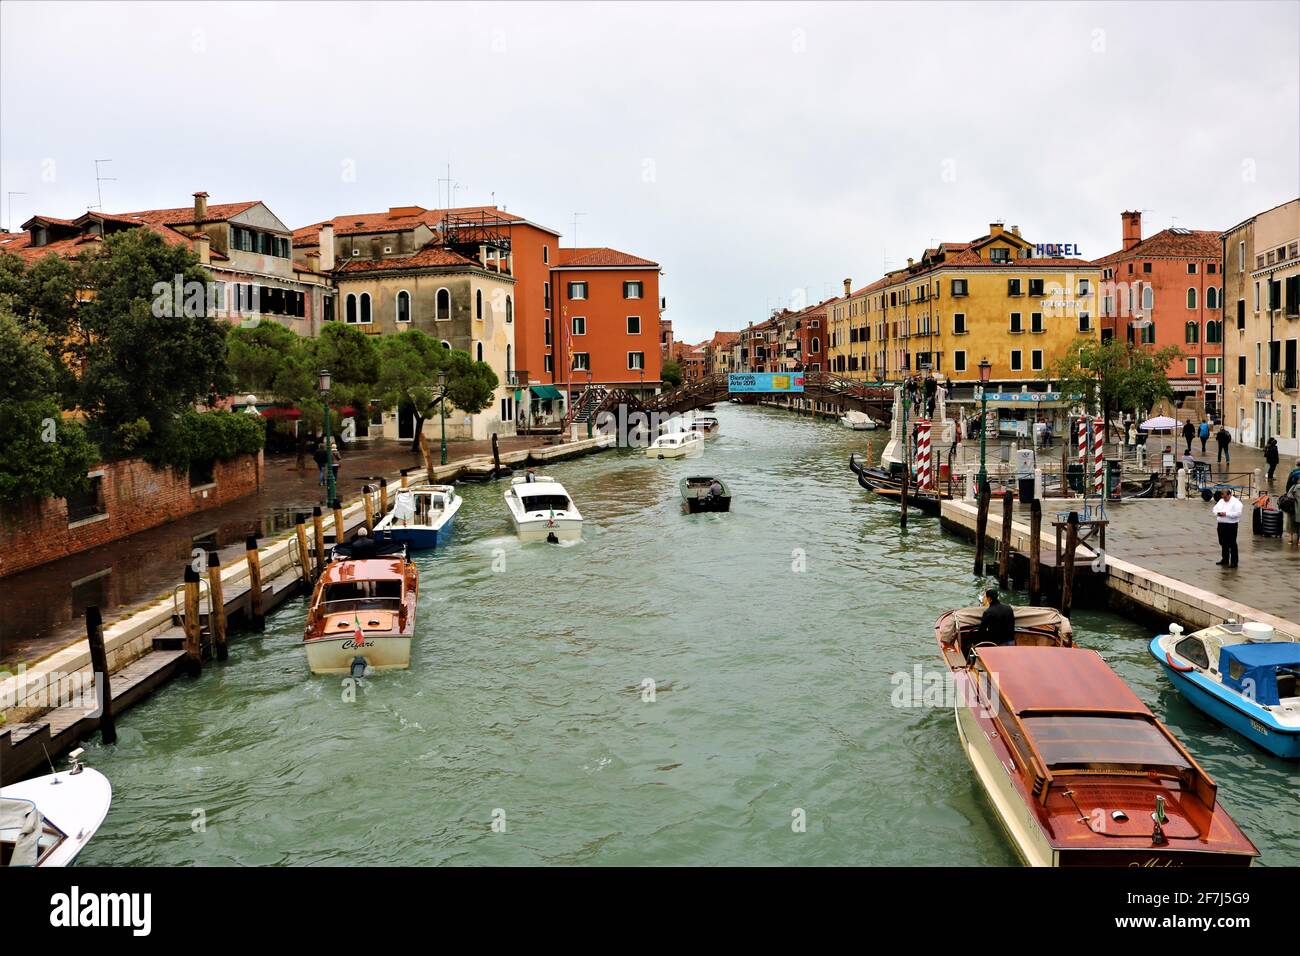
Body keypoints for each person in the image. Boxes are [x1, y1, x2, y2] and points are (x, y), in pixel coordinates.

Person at [1212, 488, 1242, 568]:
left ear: (1229, 495)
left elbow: (1238, 513)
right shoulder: (1221, 501)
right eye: (1223, 497)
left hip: (1231, 525)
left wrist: (1226, 514)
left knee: (1232, 543)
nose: (1224, 499)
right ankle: (1225, 559)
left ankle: (1234, 562)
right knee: (1223, 542)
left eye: (1225, 497)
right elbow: (1214, 509)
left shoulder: (1236, 502)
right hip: (1221, 525)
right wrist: (1218, 513)